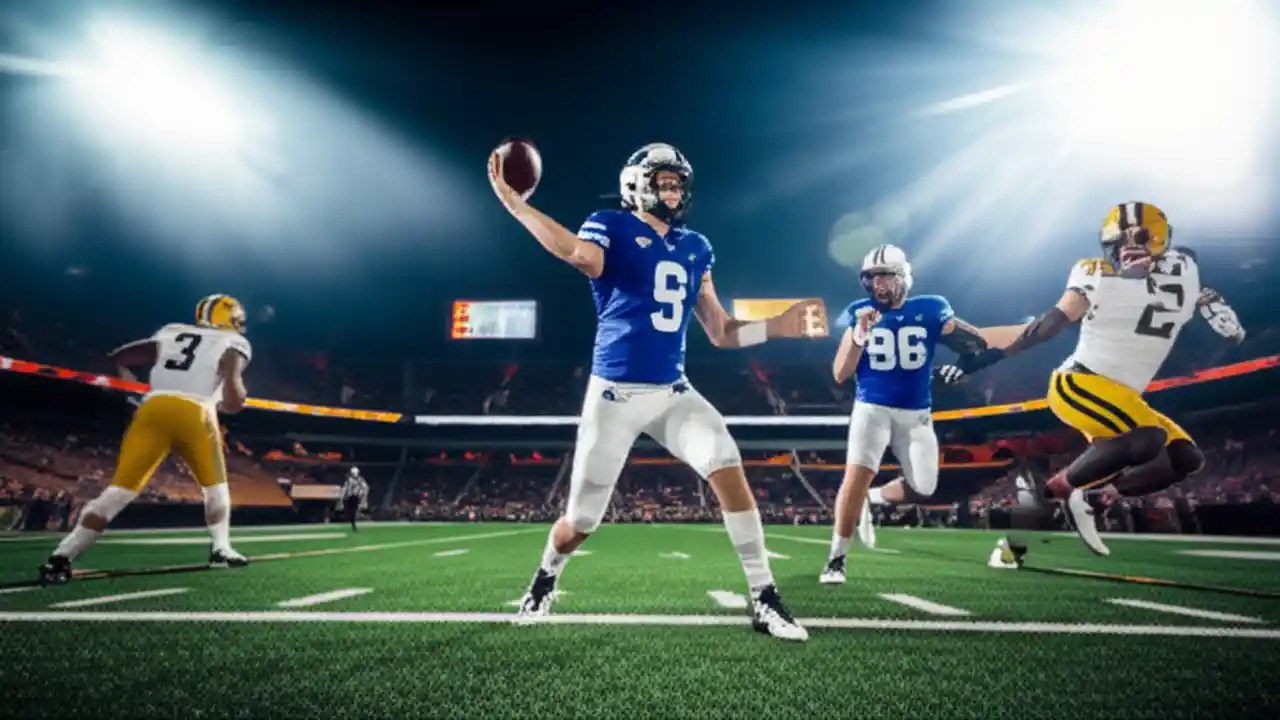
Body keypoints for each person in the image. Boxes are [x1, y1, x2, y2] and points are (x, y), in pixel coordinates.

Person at [489, 141, 826, 640]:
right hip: (615, 395)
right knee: (581, 520)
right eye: (662, 181)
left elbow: (721, 331)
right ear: (636, 185)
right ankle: (545, 578)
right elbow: (577, 255)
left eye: (677, 182)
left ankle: (765, 598)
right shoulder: (612, 225)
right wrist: (519, 207)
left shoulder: (696, 246)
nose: (672, 190)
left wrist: (777, 326)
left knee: (727, 464)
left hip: (673, 390)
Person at [951, 202, 1245, 556]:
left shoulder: (1182, 266)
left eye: (1138, 238)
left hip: (1125, 397)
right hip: (1079, 383)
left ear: (1160, 241)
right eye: (1118, 243)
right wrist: (987, 356)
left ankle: (1095, 498)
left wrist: (1210, 301)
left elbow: (1189, 278)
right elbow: (1051, 324)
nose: (1127, 249)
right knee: (1146, 438)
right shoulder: (1096, 274)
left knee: (1186, 458)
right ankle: (1062, 486)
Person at [39, 295, 252, 584]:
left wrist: (128, 382)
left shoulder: (173, 331)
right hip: (196, 412)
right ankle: (221, 549)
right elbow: (234, 397)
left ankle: (61, 557)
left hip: (153, 409)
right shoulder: (233, 343)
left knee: (119, 491)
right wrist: (231, 396)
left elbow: (122, 355)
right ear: (232, 319)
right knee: (216, 488)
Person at [819, 244, 985, 584]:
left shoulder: (931, 308)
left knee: (924, 487)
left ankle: (873, 498)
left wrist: (961, 368)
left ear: (903, 277)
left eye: (885, 276)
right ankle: (836, 559)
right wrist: (858, 337)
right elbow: (839, 373)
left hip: (916, 415)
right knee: (855, 476)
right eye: (871, 278)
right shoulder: (859, 311)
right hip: (871, 408)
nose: (878, 285)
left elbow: (975, 343)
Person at [338, 466, 369, 532]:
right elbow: (345, 489)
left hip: (355, 498)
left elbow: (365, 488)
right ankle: (352, 519)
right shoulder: (350, 480)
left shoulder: (359, 479)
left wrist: (363, 496)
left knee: (353, 510)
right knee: (351, 510)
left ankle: (354, 518)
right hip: (349, 498)